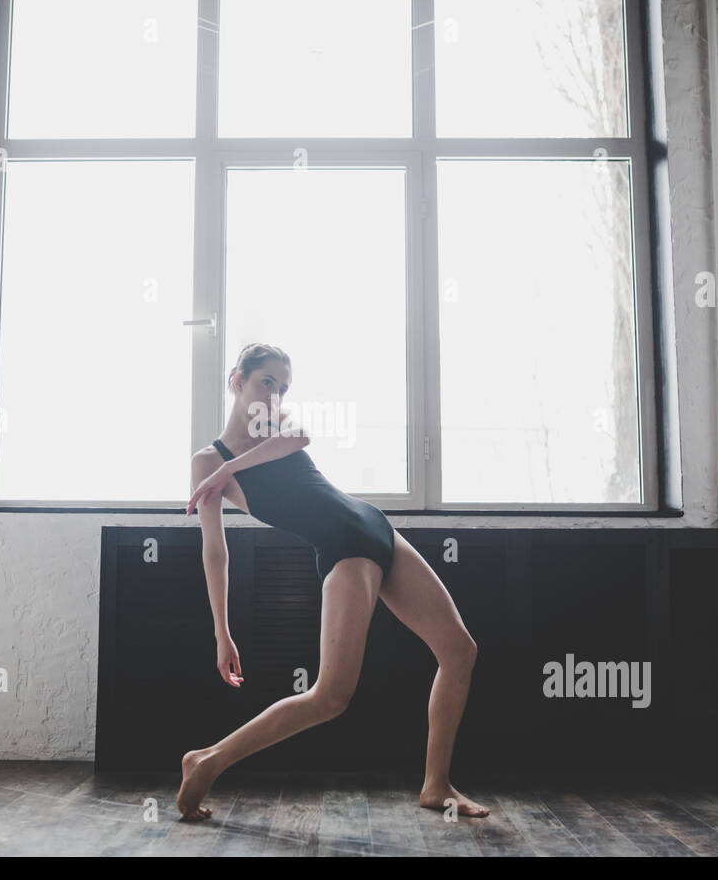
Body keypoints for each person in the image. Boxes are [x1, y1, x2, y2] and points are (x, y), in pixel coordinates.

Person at [177, 342, 487, 821]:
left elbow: (300, 439)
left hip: (377, 527)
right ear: (236, 380)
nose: (275, 395)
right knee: (330, 696)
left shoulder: (274, 429)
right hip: (346, 552)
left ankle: (436, 784)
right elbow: (215, 553)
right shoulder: (205, 461)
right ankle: (208, 759)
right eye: (266, 382)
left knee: (460, 651)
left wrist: (230, 469)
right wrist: (222, 631)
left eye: (282, 387)